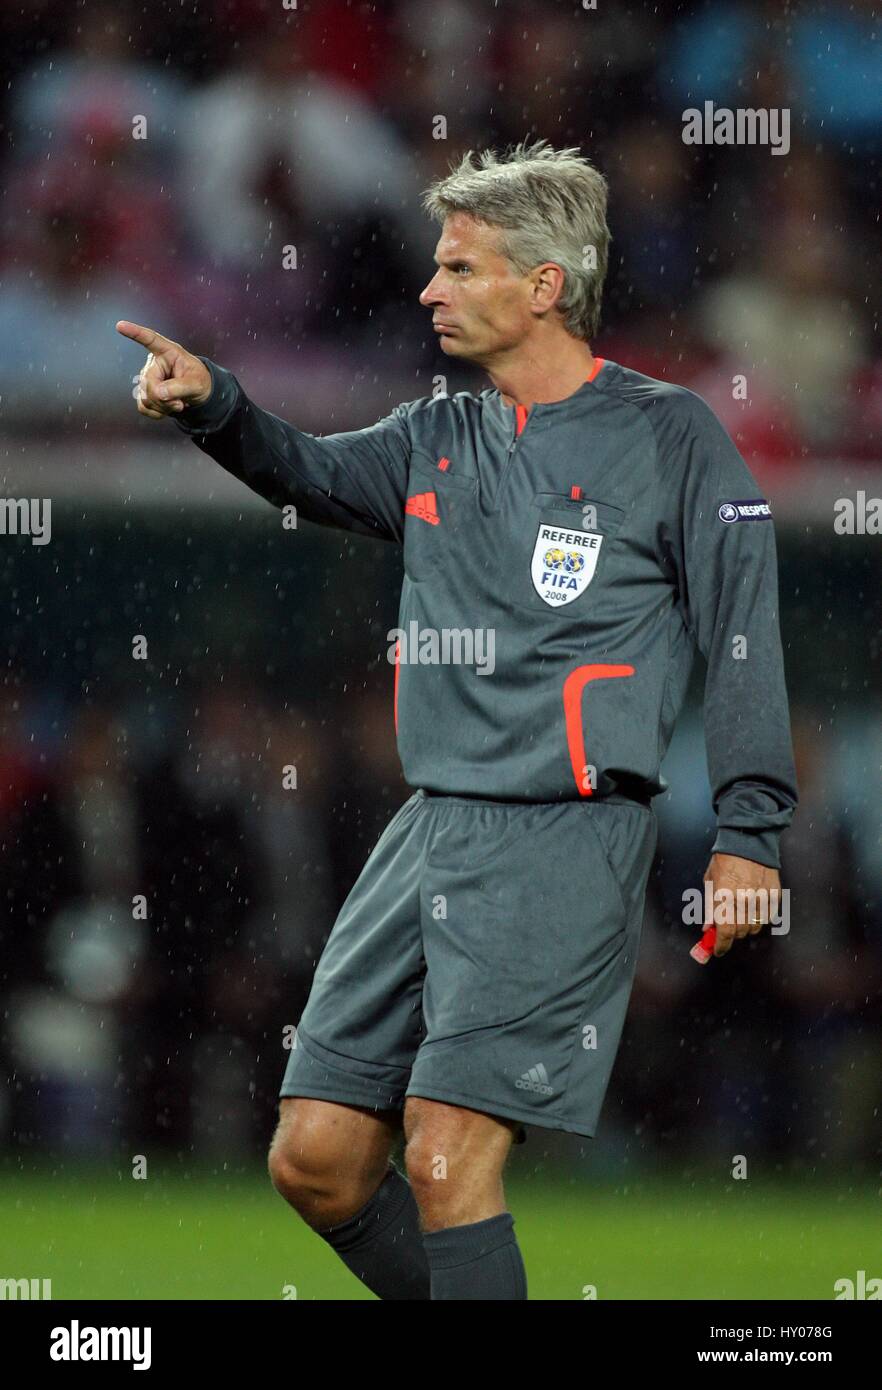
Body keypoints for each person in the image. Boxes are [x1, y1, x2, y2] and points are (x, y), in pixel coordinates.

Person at [116, 138, 798, 1301]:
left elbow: (743, 624)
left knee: (443, 1151)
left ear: (543, 285)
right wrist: (216, 404)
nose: (430, 289)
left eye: (461, 268)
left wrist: (750, 832)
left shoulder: (670, 435)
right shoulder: (435, 434)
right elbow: (309, 471)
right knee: (319, 1162)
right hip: (429, 830)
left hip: (566, 833)